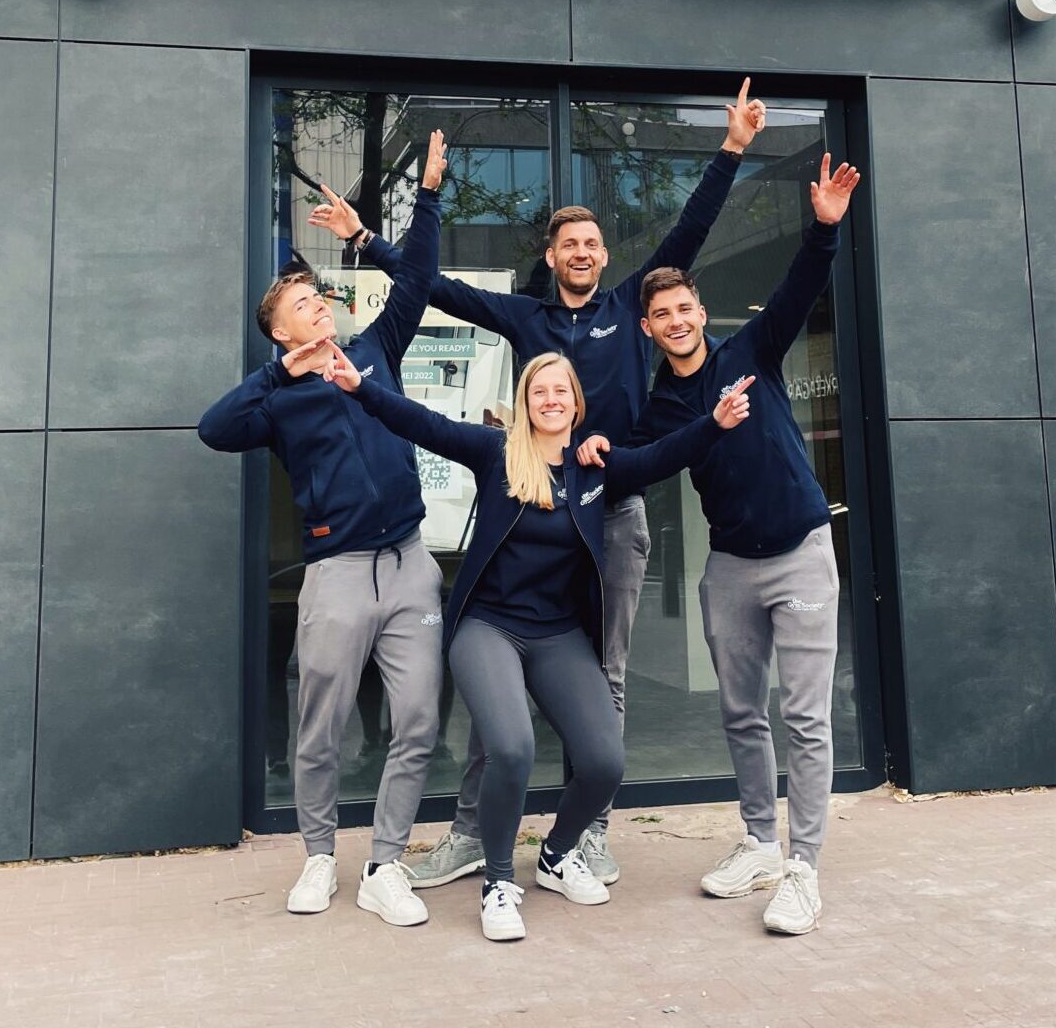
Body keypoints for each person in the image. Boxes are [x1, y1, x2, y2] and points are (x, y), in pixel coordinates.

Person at [308, 79, 767, 887]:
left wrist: (729, 150)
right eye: (568, 245)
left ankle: (582, 837)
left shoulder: (630, 306)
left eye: (592, 241)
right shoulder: (526, 319)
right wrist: (367, 240)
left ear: (604, 255)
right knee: (500, 680)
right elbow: (437, 290)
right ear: (551, 259)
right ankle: (469, 834)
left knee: (607, 673)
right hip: (525, 507)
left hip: (611, 515)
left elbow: (690, 230)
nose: (583, 252)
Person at [320, 345, 755, 942]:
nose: (550, 401)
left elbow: (661, 456)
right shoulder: (496, 453)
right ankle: (499, 880)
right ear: (525, 404)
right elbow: (425, 424)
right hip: (488, 626)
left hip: (558, 634)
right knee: (514, 748)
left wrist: (715, 423)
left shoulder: (594, 468)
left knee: (604, 762)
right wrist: (360, 388)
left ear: (576, 402)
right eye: (538, 392)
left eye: (560, 391)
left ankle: (555, 854)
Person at [578, 151, 861, 936]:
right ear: (648, 326)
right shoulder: (665, 402)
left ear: (700, 312)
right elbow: (638, 460)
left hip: (801, 549)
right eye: (660, 313)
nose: (675, 320)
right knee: (742, 714)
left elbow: (801, 287)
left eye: (685, 309)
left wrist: (824, 229)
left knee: (804, 719)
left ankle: (802, 869)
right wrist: (599, 451)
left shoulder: (751, 352)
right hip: (730, 567)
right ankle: (760, 843)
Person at [197, 130, 449, 929]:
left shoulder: (373, 348)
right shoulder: (273, 394)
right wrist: (279, 374)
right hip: (336, 571)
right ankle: (315, 858)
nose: (320, 307)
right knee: (323, 722)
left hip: (410, 566)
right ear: (278, 329)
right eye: (303, 304)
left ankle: (384, 863)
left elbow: (415, 282)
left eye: (319, 299)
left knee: (416, 719)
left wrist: (413, 209)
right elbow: (212, 430)